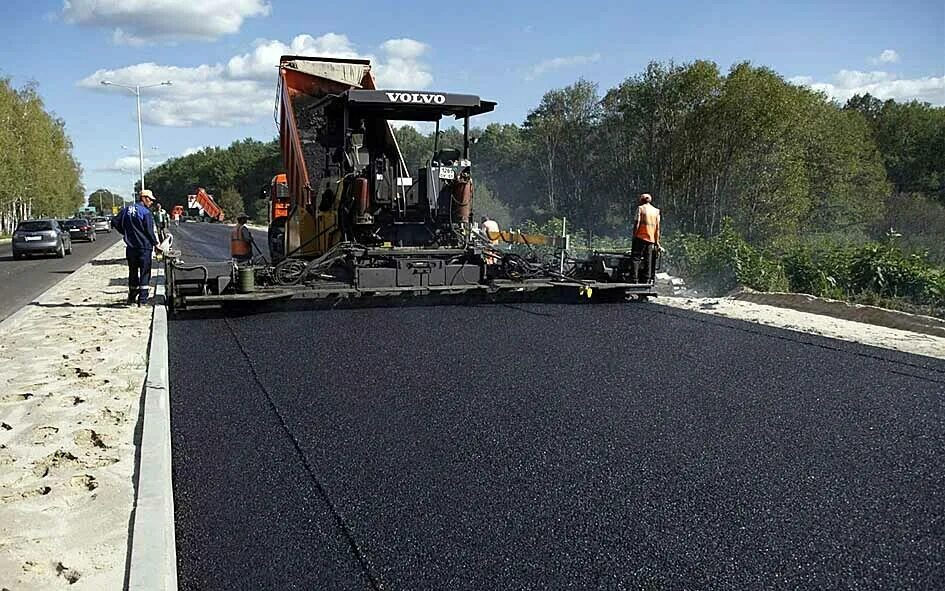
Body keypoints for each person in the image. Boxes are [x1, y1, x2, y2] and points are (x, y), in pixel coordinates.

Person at [111, 190, 159, 306]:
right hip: (144, 247)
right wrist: (156, 243)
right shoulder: (145, 212)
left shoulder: (126, 210)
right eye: (150, 199)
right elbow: (149, 231)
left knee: (133, 272)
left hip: (131, 247)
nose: (151, 202)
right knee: (145, 272)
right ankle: (143, 299)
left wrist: (125, 233)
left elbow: (114, 222)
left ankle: (132, 297)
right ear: (144, 198)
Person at [631, 193, 661, 283]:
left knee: (636, 259)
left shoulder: (640, 209)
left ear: (642, 200)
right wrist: (657, 241)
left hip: (640, 237)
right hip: (651, 239)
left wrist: (634, 235)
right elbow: (657, 228)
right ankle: (647, 279)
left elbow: (637, 223)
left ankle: (634, 279)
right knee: (648, 259)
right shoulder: (656, 211)